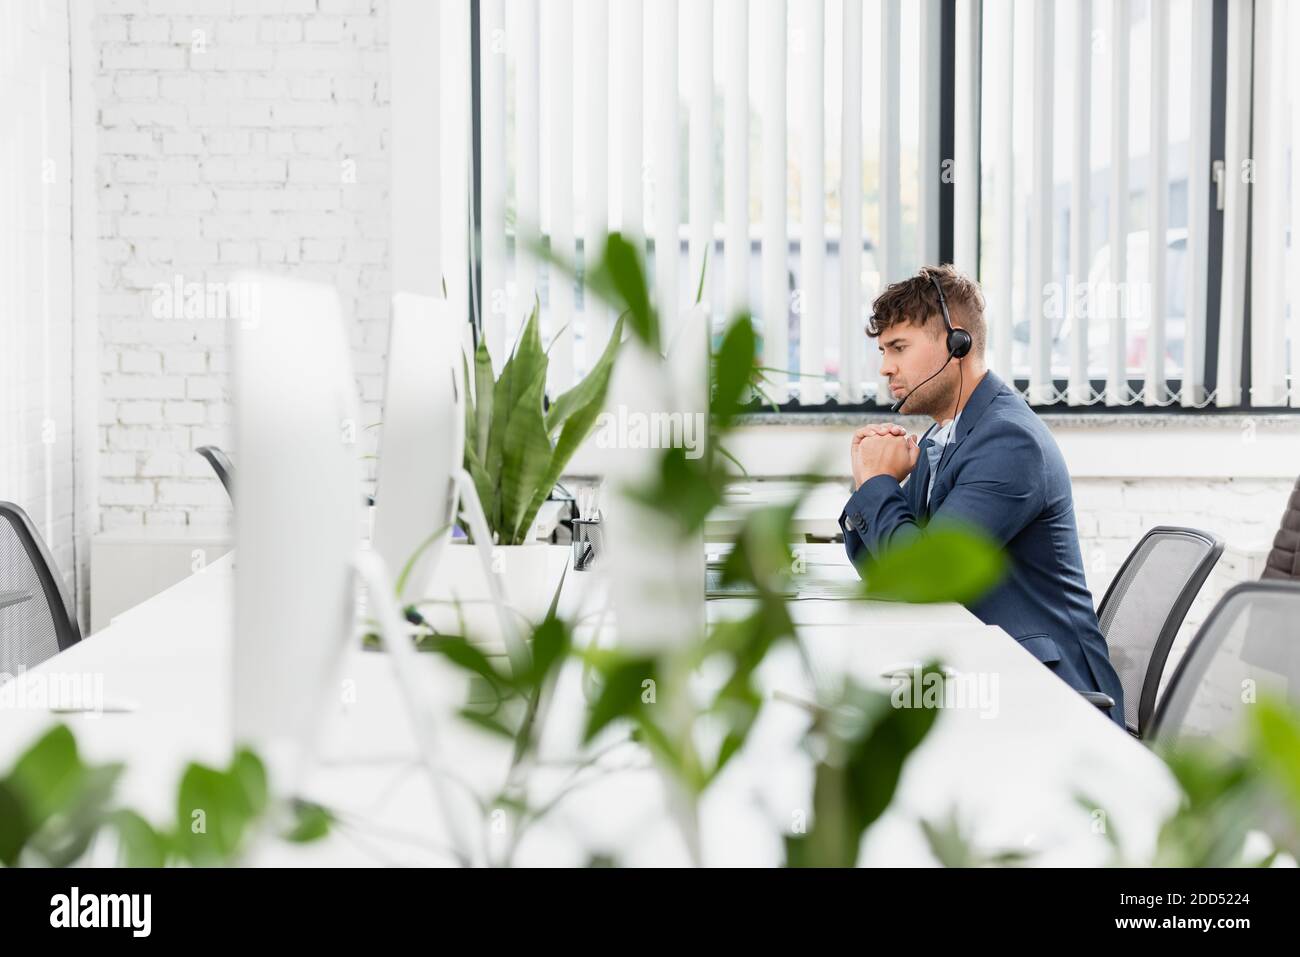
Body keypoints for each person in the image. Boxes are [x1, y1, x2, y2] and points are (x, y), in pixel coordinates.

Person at [841, 264, 1126, 728]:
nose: (884, 366)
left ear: (958, 344)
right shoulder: (944, 434)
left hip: (1049, 692)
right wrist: (870, 482)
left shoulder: (1007, 443)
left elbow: (926, 578)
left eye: (898, 347)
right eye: (882, 350)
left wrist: (878, 485)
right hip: (985, 669)